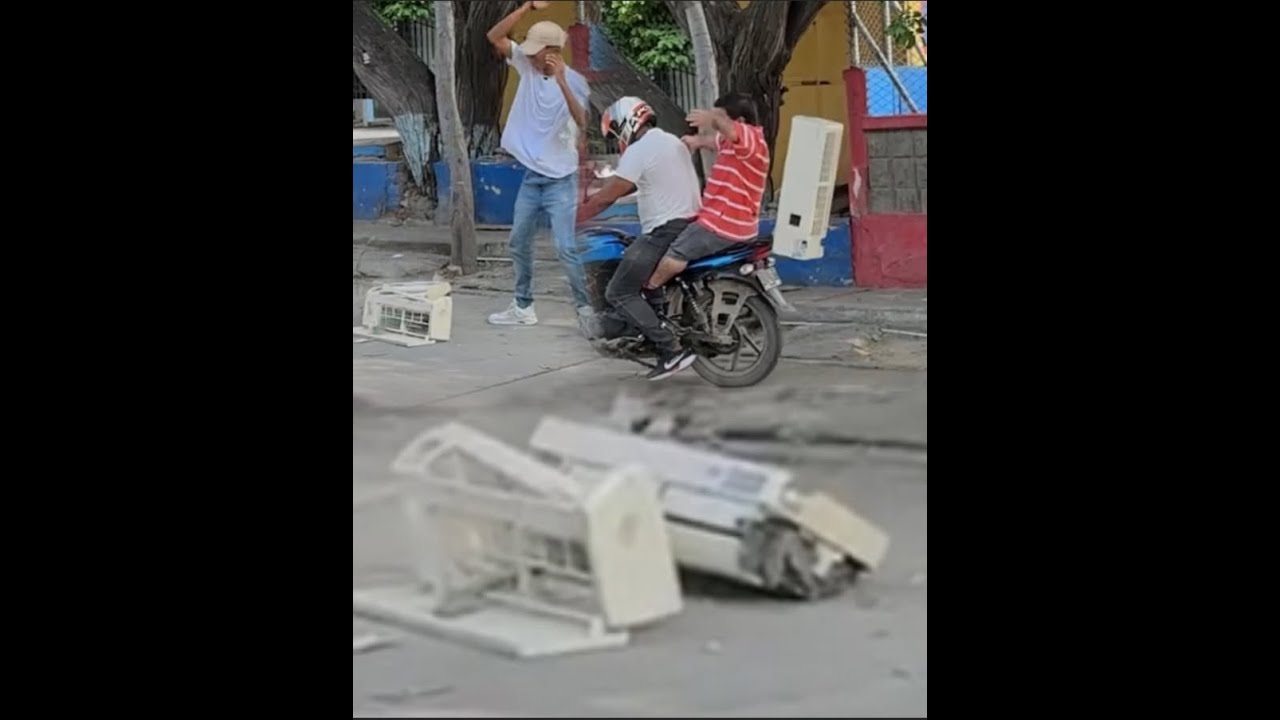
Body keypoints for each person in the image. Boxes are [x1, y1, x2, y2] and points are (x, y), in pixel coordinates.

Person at [637, 92, 771, 378]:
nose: (716, 126)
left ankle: (651, 297)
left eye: (721, 118)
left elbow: (731, 132)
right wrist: (697, 142)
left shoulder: (752, 139)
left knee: (673, 254)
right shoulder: (736, 145)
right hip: (728, 223)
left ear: (741, 121)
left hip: (721, 225)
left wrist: (711, 118)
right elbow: (718, 140)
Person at [577, 96, 703, 380]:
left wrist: (581, 212)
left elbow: (614, 191)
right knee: (633, 260)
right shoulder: (670, 142)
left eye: (614, 132)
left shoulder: (641, 149)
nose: (616, 140)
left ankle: (671, 350)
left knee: (619, 291)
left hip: (666, 230)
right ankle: (649, 333)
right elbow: (643, 184)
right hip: (688, 225)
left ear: (626, 123)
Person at [484, 1, 593, 329]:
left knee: (565, 247)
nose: (529, 56)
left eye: (536, 52)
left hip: (561, 178)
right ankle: (522, 305)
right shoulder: (525, 65)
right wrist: (527, 6)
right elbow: (494, 36)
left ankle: (585, 309)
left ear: (552, 52)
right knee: (519, 240)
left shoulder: (575, 83)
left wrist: (561, 80)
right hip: (533, 177)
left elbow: (583, 122)